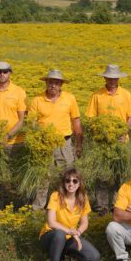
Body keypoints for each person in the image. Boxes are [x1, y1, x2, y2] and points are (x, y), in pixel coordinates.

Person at [27, 69, 83, 209]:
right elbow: (31, 124)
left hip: (64, 142)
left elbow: (76, 121)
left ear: (61, 85)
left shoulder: (70, 98)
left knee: (68, 175)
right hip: (43, 143)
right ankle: (38, 207)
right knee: (43, 175)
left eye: (56, 82)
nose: (53, 85)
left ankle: (67, 205)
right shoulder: (37, 100)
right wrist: (36, 142)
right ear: (46, 82)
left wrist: (78, 144)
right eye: (50, 82)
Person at [39, 168, 101, 261]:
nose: (71, 184)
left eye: (75, 181)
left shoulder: (83, 198)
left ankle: (62, 252)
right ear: (64, 182)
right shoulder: (55, 196)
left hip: (70, 236)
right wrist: (69, 231)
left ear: (79, 183)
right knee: (59, 234)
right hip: (50, 236)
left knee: (94, 257)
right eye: (68, 180)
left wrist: (78, 232)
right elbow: (51, 222)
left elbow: (84, 222)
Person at [85, 64, 131, 213]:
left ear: (118, 78)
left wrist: (123, 132)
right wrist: (101, 132)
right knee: (102, 174)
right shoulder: (97, 95)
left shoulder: (126, 94)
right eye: (109, 77)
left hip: (121, 141)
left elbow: (130, 117)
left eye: (115, 78)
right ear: (105, 78)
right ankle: (101, 205)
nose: (112, 80)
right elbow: (90, 118)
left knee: (118, 172)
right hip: (102, 141)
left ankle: (116, 204)